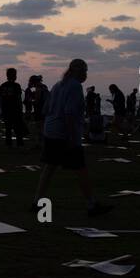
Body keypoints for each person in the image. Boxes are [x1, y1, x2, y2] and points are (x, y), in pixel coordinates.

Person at [30, 58, 113, 217]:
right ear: (78, 71)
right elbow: (69, 114)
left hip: (51, 130)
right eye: (85, 71)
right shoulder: (75, 87)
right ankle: (91, 205)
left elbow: (46, 109)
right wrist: (71, 138)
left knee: (50, 167)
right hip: (64, 133)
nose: (86, 75)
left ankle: (36, 202)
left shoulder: (57, 85)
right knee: (80, 168)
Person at [0, 68, 26, 146]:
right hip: (15, 110)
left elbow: (0, 99)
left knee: (8, 128)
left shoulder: (2, 86)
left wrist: (2, 110)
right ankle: (19, 143)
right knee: (18, 128)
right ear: (14, 76)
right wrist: (20, 110)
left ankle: (8, 143)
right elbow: (18, 99)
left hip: (6, 110)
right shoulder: (17, 86)